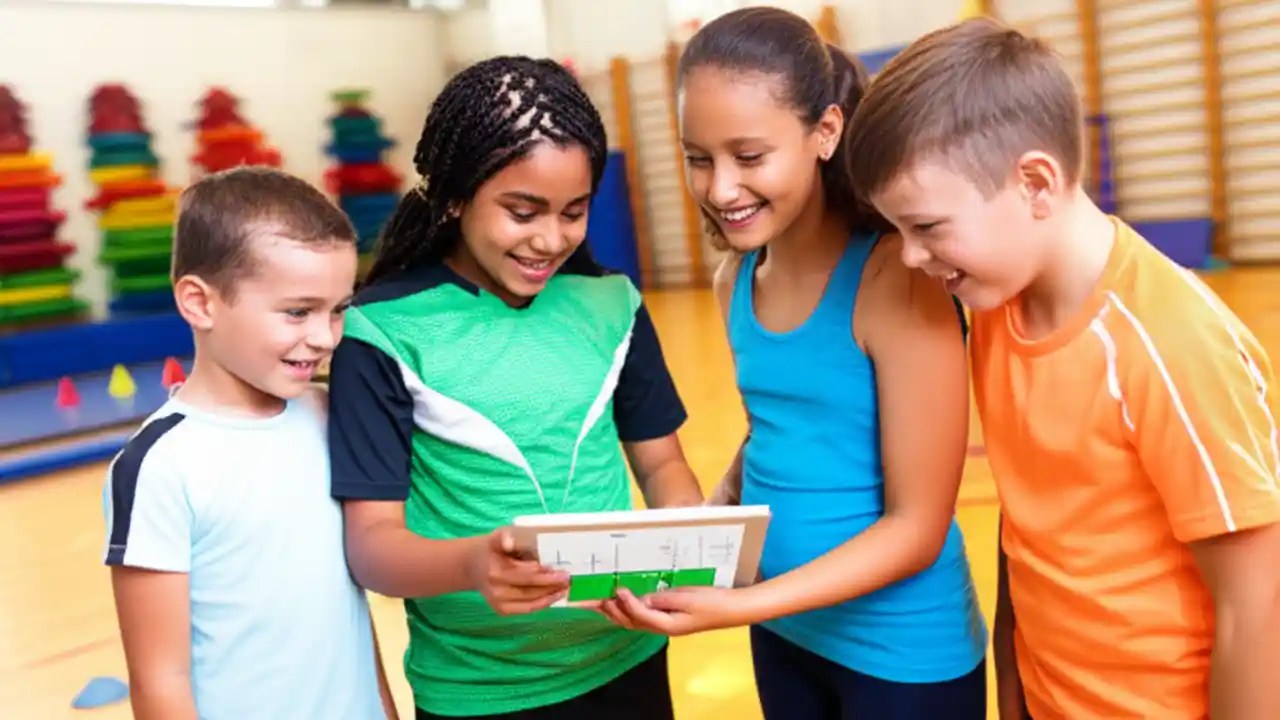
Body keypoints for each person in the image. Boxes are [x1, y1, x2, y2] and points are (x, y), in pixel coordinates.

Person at [846, 16, 1280, 720]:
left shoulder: (1168, 342)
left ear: (1036, 183)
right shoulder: (996, 306)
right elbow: (1029, 528)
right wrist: (1013, 686)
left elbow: (1257, 605)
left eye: (925, 227)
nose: (911, 256)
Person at [602, 7, 988, 719]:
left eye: (749, 157)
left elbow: (917, 528)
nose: (721, 189)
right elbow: (776, 429)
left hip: (901, 656)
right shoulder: (736, 281)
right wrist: (701, 528)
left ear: (826, 132)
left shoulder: (896, 282)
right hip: (784, 636)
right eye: (698, 157)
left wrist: (739, 604)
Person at [325, 55, 705, 720]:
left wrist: (687, 546)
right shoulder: (380, 331)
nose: (551, 238)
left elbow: (663, 461)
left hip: (631, 656)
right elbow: (372, 548)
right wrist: (474, 565)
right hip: (482, 692)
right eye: (522, 211)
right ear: (452, 195)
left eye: (574, 211)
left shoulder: (612, 304)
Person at [101, 166, 396, 720]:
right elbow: (159, 679)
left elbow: (348, 616)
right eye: (297, 311)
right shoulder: (159, 465)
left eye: (337, 310)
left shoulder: (330, 415)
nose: (324, 336)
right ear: (200, 302)